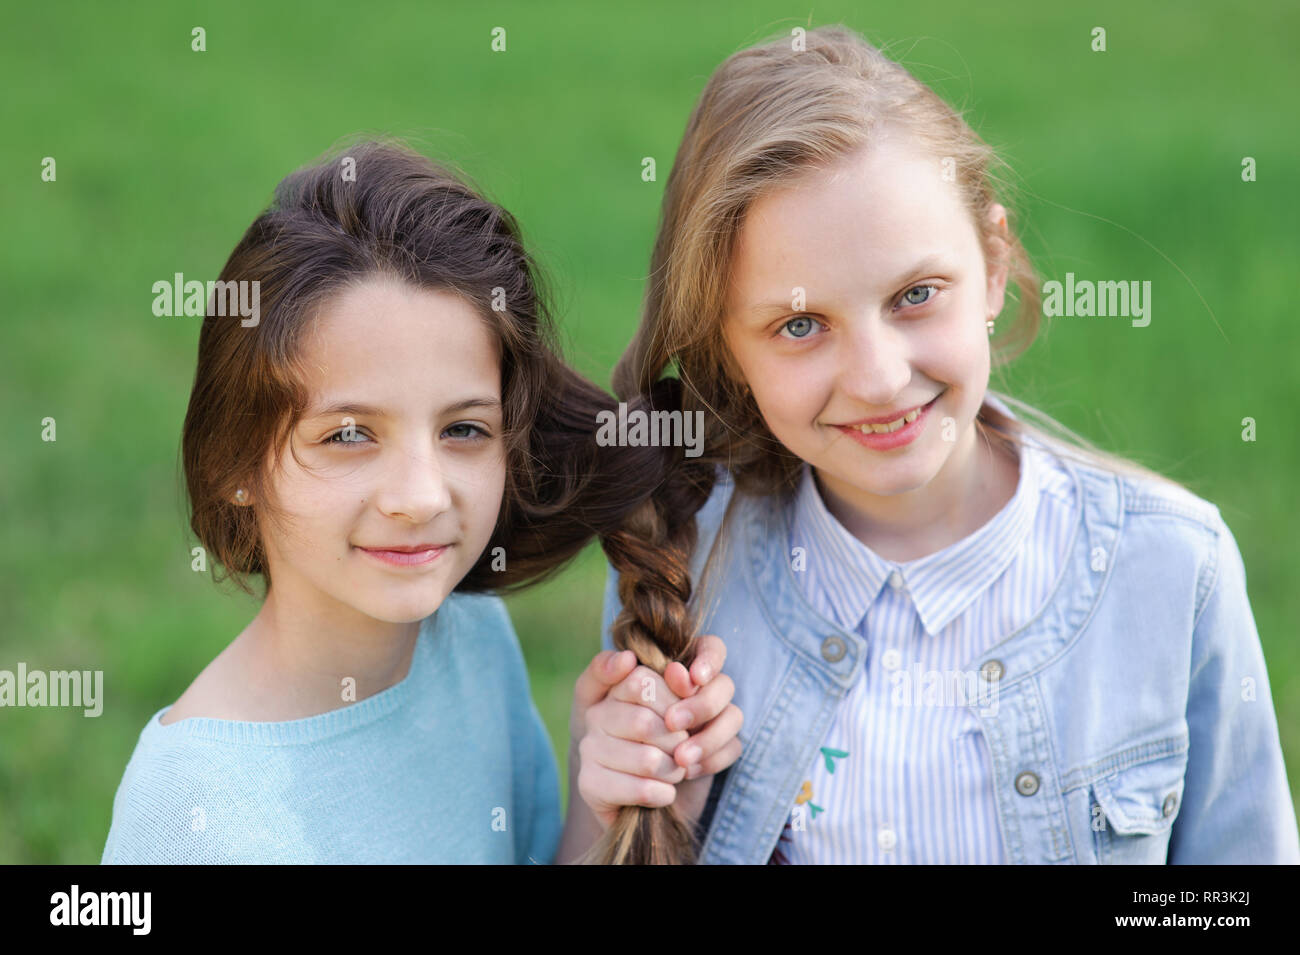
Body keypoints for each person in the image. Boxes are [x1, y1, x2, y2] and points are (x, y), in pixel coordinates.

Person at [589, 24, 1300, 864]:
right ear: (726, 346)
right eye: (801, 324)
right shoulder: (682, 560)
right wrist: (624, 814)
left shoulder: (1172, 569)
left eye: (916, 294)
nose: (880, 378)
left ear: (993, 263)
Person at [100, 140, 740, 864]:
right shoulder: (199, 813)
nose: (419, 495)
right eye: (348, 434)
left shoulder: (471, 641)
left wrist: (613, 806)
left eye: (463, 429)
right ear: (234, 465)